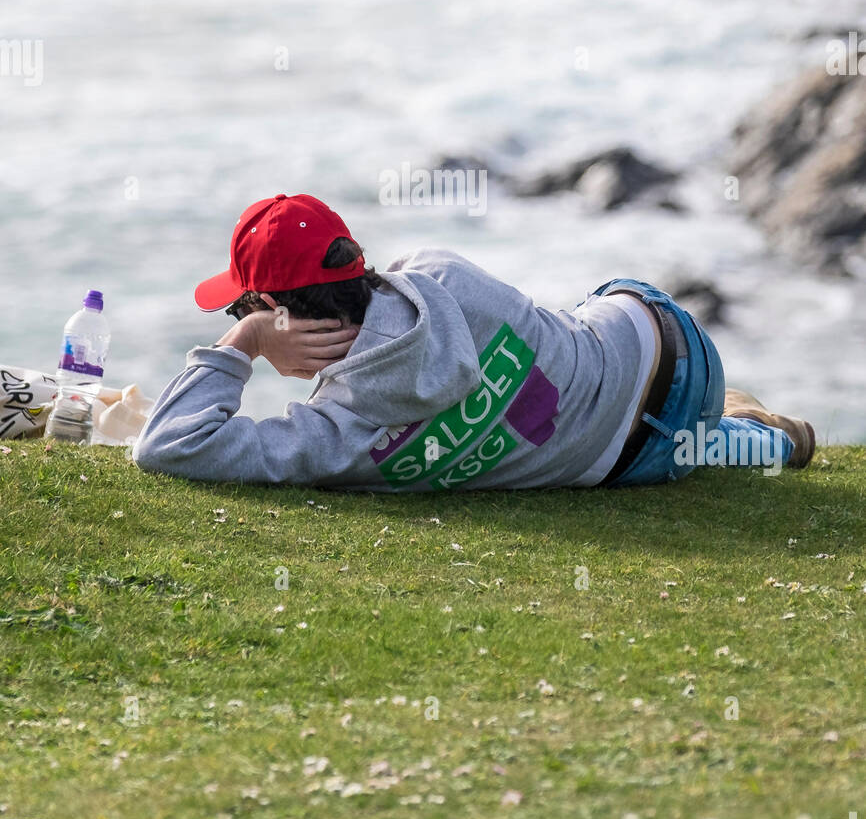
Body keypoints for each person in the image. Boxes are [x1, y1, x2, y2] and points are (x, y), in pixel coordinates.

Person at [133, 193, 816, 490]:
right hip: (665, 331)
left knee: (654, 447)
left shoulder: (338, 435)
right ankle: (742, 420)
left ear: (274, 310)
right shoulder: (439, 271)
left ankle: (769, 441)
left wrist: (244, 345)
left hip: (640, 459)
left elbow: (168, 445)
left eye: (246, 305)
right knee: (569, 341)